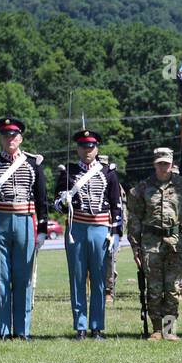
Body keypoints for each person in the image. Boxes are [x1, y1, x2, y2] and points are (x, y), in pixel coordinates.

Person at [0, 117, 49, 340]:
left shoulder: (33, 163)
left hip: (26, 219)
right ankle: (3, 330)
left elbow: (42, 198)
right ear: (0, 138)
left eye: (14, 135)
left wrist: (43, 227)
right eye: (6, 135)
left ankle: (23, 330)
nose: (10, 139)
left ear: (21, 138)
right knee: (0, 275)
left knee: (24, 276)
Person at [54, 129, 124, 339]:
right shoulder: (67, 172)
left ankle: (97, 326)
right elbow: (56, 204)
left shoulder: (108, 172)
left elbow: (116, 205)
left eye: (91, 146)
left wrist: (117, 231)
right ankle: (81, 326)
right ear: (78, 148)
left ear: (97, 148)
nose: (87, 150)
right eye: (83, 146)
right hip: (77, 229)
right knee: (77, 278)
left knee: (99, 279)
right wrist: (63, 203)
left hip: (100, 229)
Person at [127, 147, 182, 340]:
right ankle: (157, 329)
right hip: (150, 244)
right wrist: (135, 247)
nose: (163, 167)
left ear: (171, 164)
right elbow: (134, 219)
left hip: (175, 243)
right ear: (154, 164)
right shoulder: (143, 187)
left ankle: (169, 330)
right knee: (154, 288)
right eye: (160, 163)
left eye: (166, 164)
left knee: (173, 288)